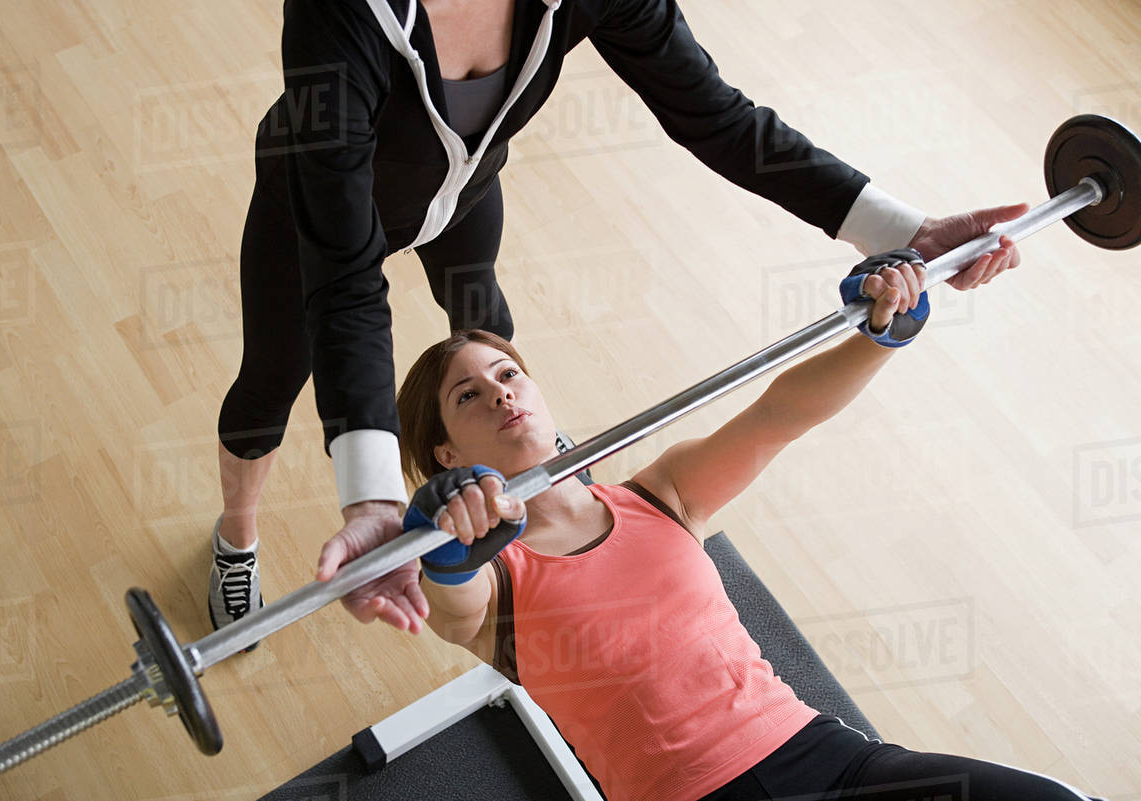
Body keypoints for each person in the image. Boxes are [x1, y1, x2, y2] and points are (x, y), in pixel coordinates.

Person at [208, 0, 1029, 641]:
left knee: (487, 329)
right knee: (273, 380)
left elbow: (716, 113)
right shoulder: (339, 12)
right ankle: (235, 536)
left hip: (462, 194)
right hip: (313, 210)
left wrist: (903, 233)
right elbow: (349, 280)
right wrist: (375, 501)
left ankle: (535, 492)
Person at [383, 249, 1104, 801]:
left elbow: (777, 417)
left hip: (821, 756)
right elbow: (455, 603)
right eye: (469, 395)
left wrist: (878, 334)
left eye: (508, 373)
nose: (501, 394)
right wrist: (447, 544)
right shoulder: (491, 574)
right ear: (447, 451)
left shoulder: (661, 494)